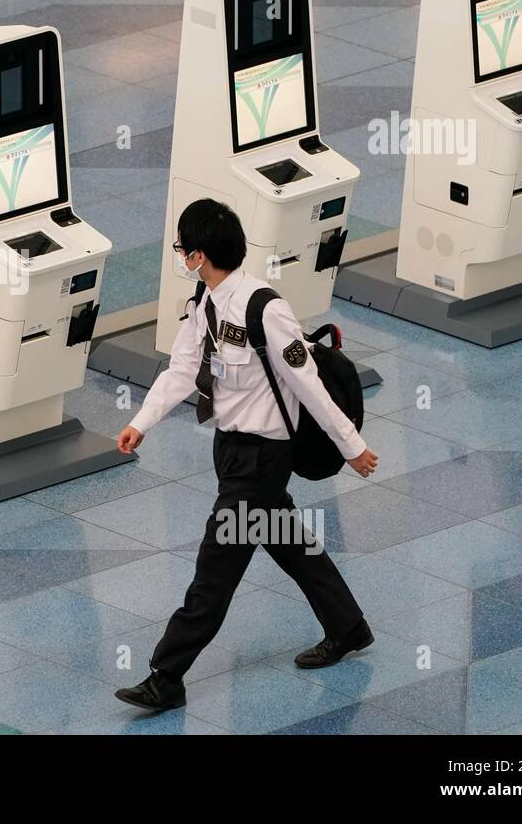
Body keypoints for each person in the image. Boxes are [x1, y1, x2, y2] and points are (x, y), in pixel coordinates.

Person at [114, 199, 379, 714]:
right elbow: (182, 368)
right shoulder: (205, 301)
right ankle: (347, 625)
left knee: (214, 571)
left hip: (262, 459)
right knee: (284, 537)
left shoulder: (265, 310)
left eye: (182, 249)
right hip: (230, 449)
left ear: (199, 254)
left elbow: (309, 385)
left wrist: (352, 446)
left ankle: (166, 675)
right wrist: (141, 422)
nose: (180, 257)